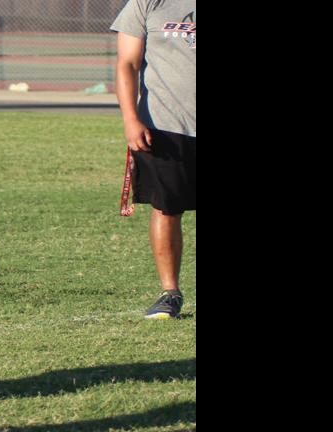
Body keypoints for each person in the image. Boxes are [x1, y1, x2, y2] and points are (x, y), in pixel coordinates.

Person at [111, 0, 195, 320]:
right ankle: (169, 293)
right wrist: (131, 119)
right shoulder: (148, 2)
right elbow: (127, 64)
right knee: (166, 208)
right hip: (164, 126)